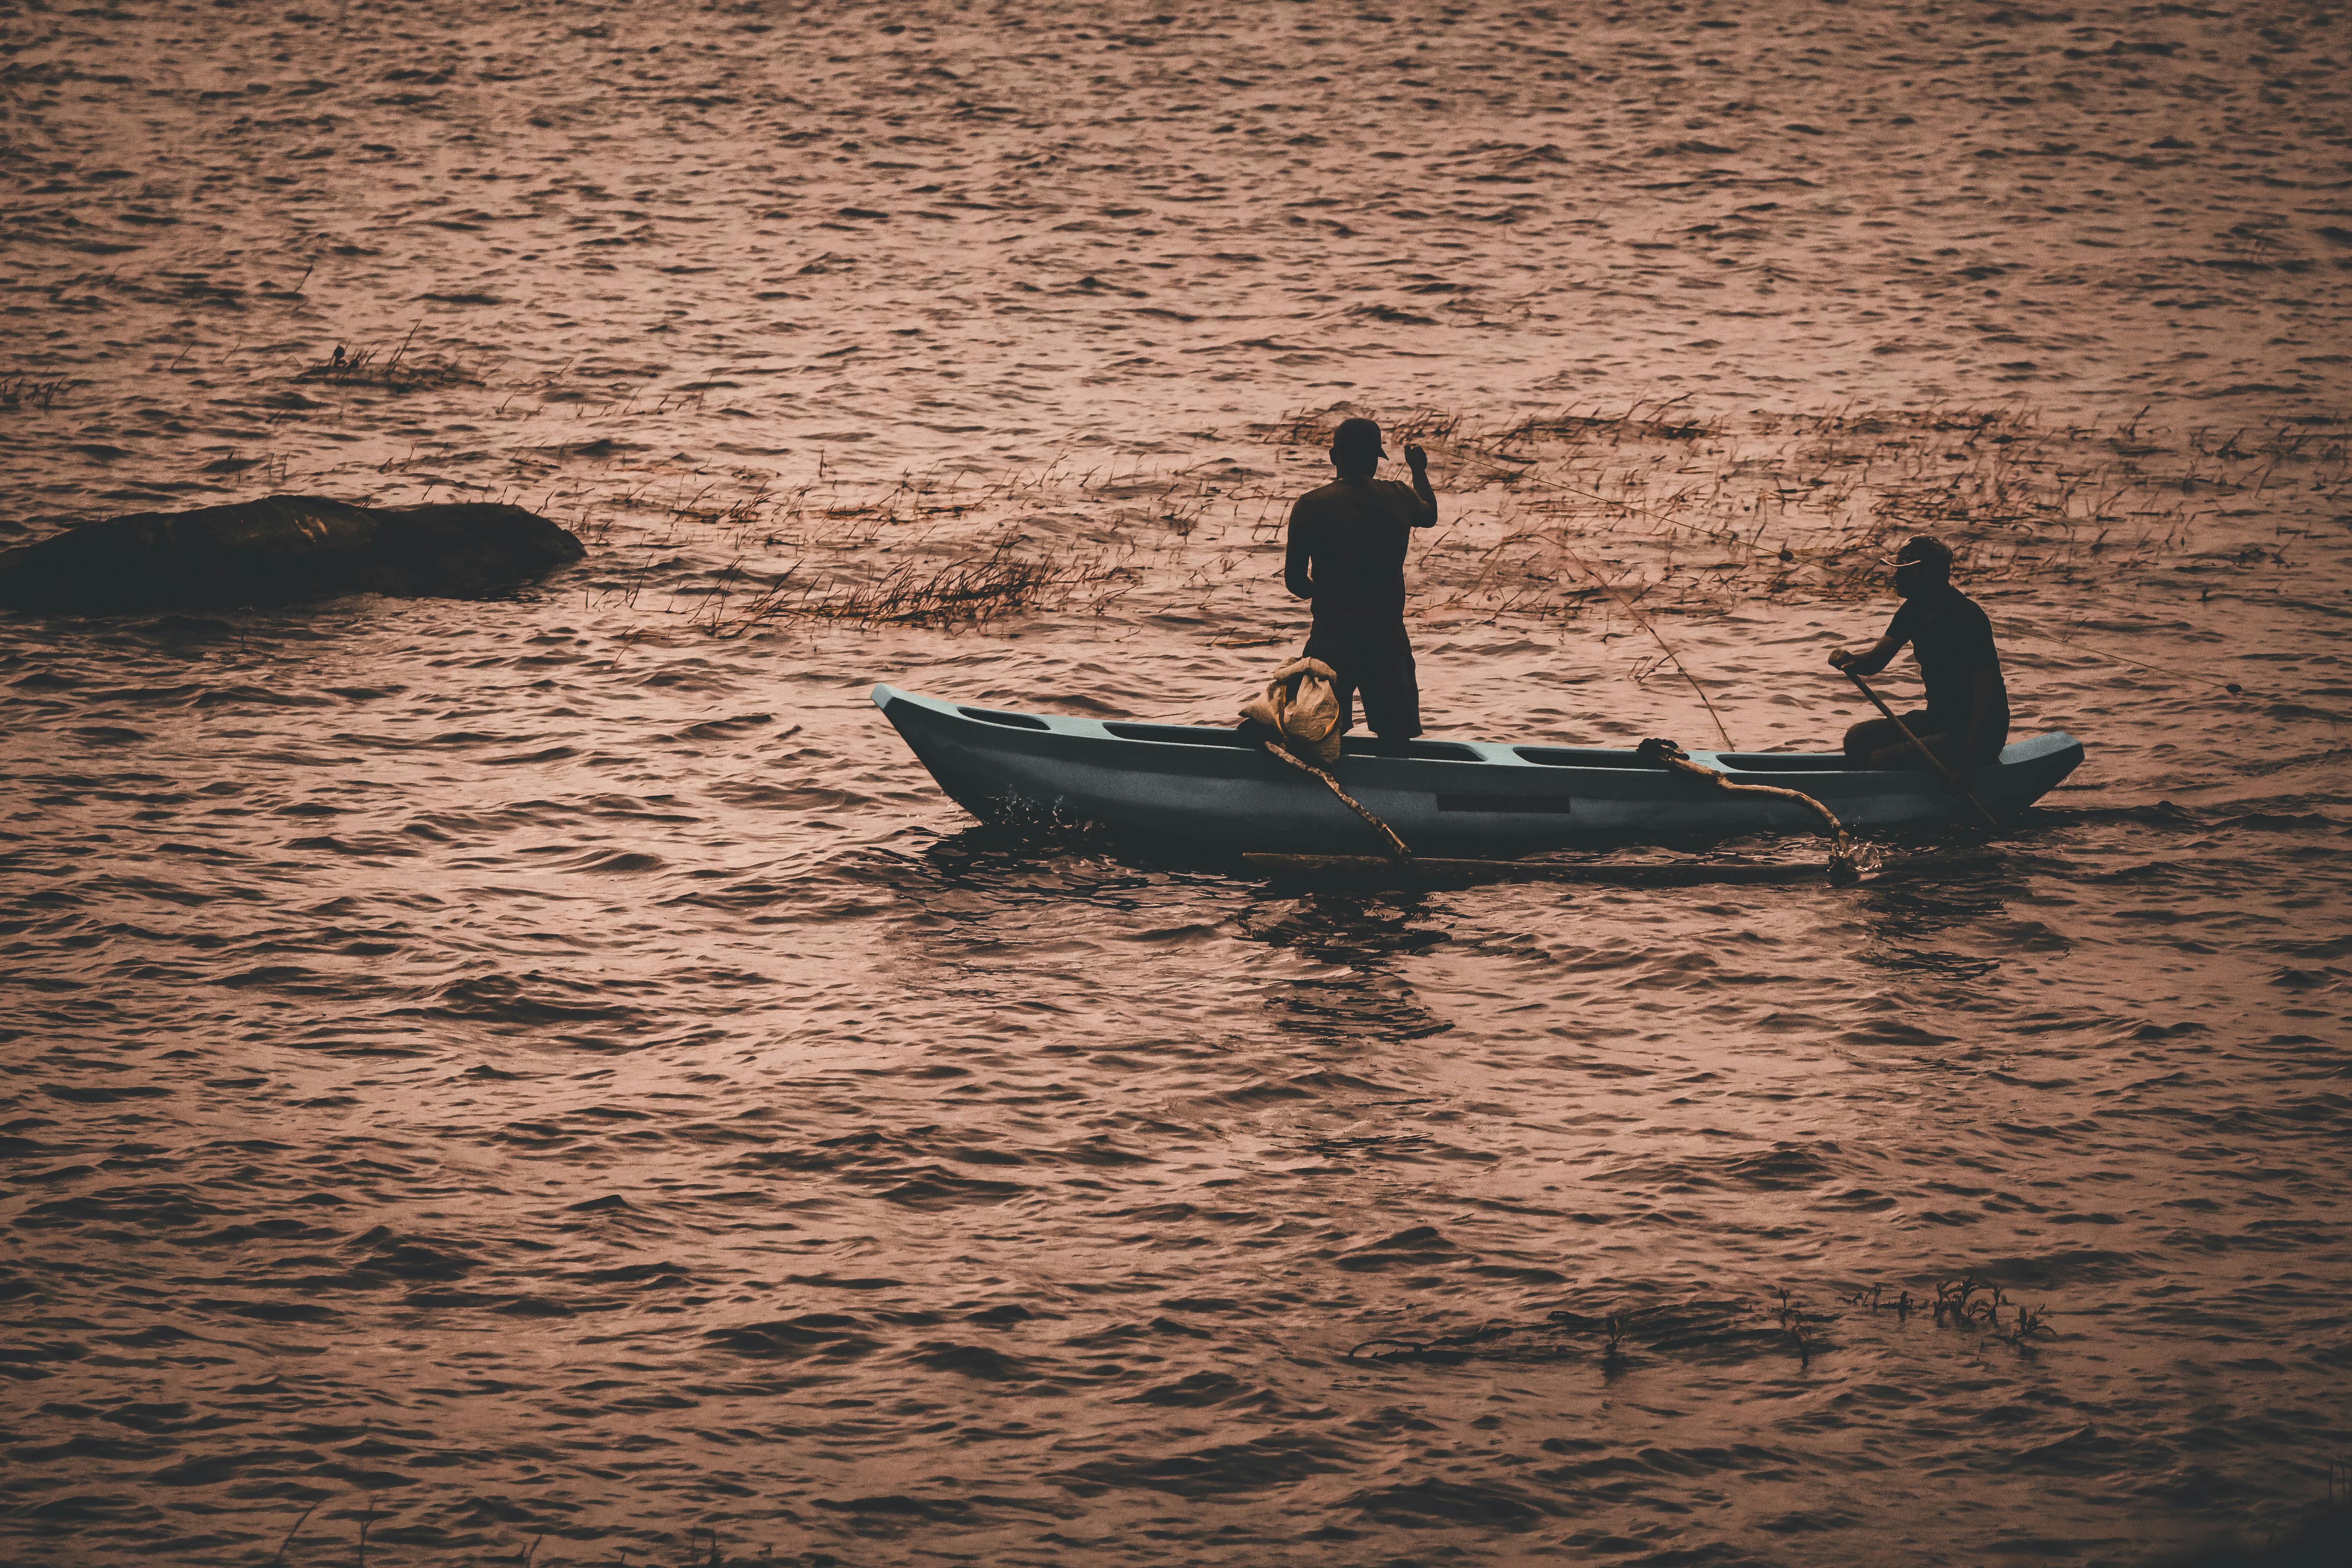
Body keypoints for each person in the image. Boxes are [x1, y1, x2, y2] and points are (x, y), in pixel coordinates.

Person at [1282, 417, 1438, 756]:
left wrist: (1320, 591)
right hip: (1387, 640)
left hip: (1330, 642)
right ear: (1375, 461)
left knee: (1318, 737)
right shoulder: (1399, 496)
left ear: (1334, 457)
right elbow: (1429, 514)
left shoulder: (1310, 505)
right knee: (1396, 742)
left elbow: (1295, 582)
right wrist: (1419, 470)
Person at [1828, 534, 2010, 788]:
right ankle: (1861, 791)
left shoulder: (1966, 618)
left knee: (1881, 761)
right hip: (1939, 720)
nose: (1896, 579)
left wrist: (1966, 765)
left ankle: (1885, 800)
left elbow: (1985, 697)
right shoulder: (1912, 611)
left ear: (1929, 575)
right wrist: (1851, 660)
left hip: (1978, 734)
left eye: (1905, 573)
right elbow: (1875, 662)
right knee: (1856, 739)